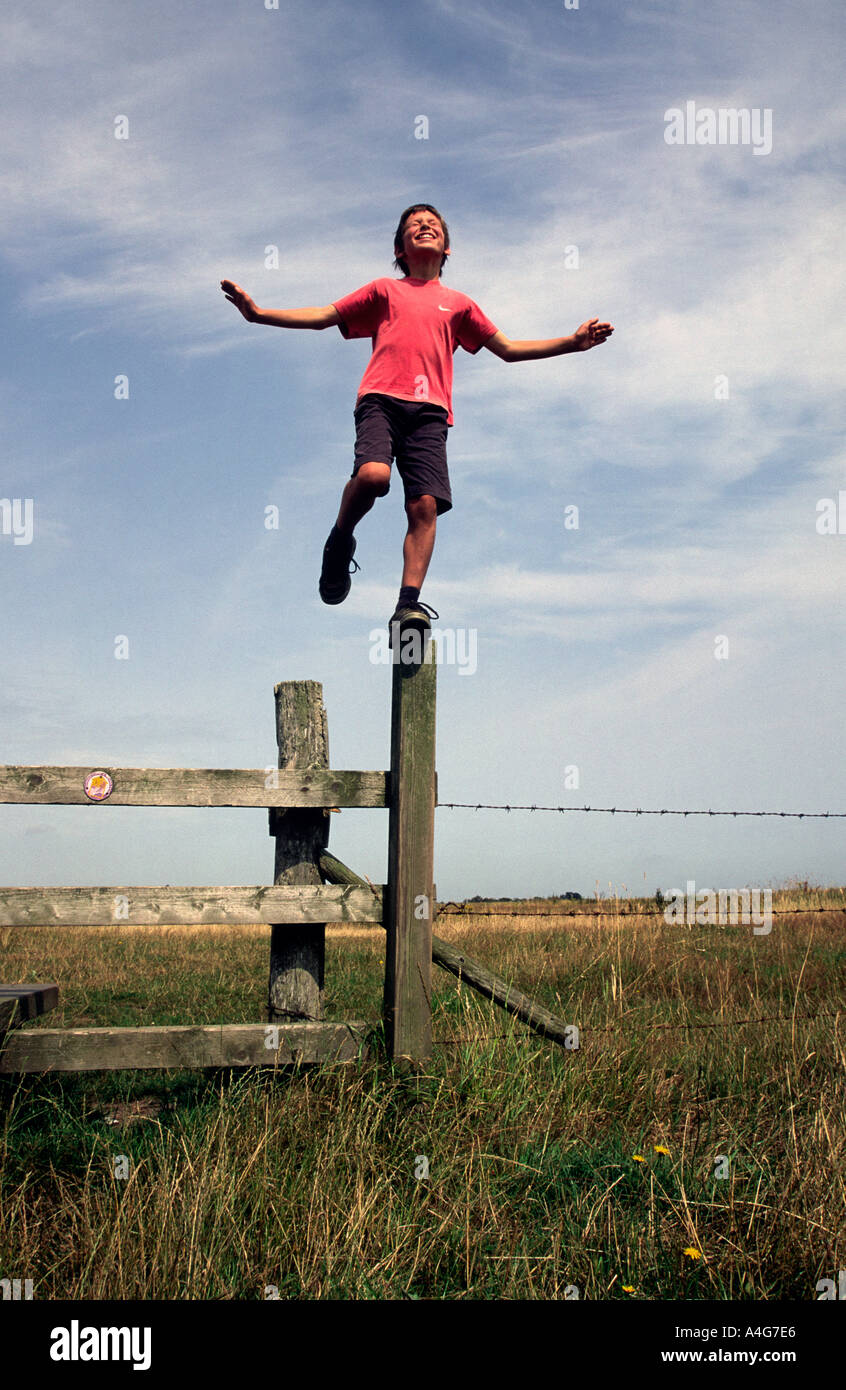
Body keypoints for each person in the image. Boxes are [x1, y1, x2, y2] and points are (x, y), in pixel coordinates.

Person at [221, 204, 613, 636]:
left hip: (431, 413)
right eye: (413, 226)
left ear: (446, 247)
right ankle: (339, 540)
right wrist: (260, 314)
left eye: (432, 225)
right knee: (373, 477)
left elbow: (509, 349)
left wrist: (572, 344)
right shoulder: (384, 291)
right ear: (399, 248)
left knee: (424, 505)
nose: (424, 227)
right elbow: (323, 316)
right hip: (381, 400)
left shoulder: (460, 305)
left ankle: (407, 607)